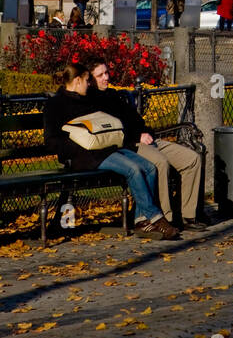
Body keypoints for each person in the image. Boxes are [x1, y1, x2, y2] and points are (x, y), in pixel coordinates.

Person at [43, 58, 179, 239]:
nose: (88, 84)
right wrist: (78, 145)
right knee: (134, 170)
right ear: (77, 81)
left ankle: (141, 221)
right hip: (84, 157)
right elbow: (51, 140)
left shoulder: (86, 99)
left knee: (149, 167)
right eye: (86, 80)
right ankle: (155, 218)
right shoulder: (56, 105)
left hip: (106, 148)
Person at [87, 60, 207, 231]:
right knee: (160, 162)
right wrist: (138, 136)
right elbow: (110, 132)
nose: (106, 77)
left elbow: (136, 120)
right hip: (130, 145)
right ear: (90, 79)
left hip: (148, 139)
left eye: (106, 73)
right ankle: (166, 217)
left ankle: (188, 215)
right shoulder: (92, 101)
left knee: (192, 159)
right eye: (100, 75)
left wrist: (145, 132)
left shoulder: (114, 95)